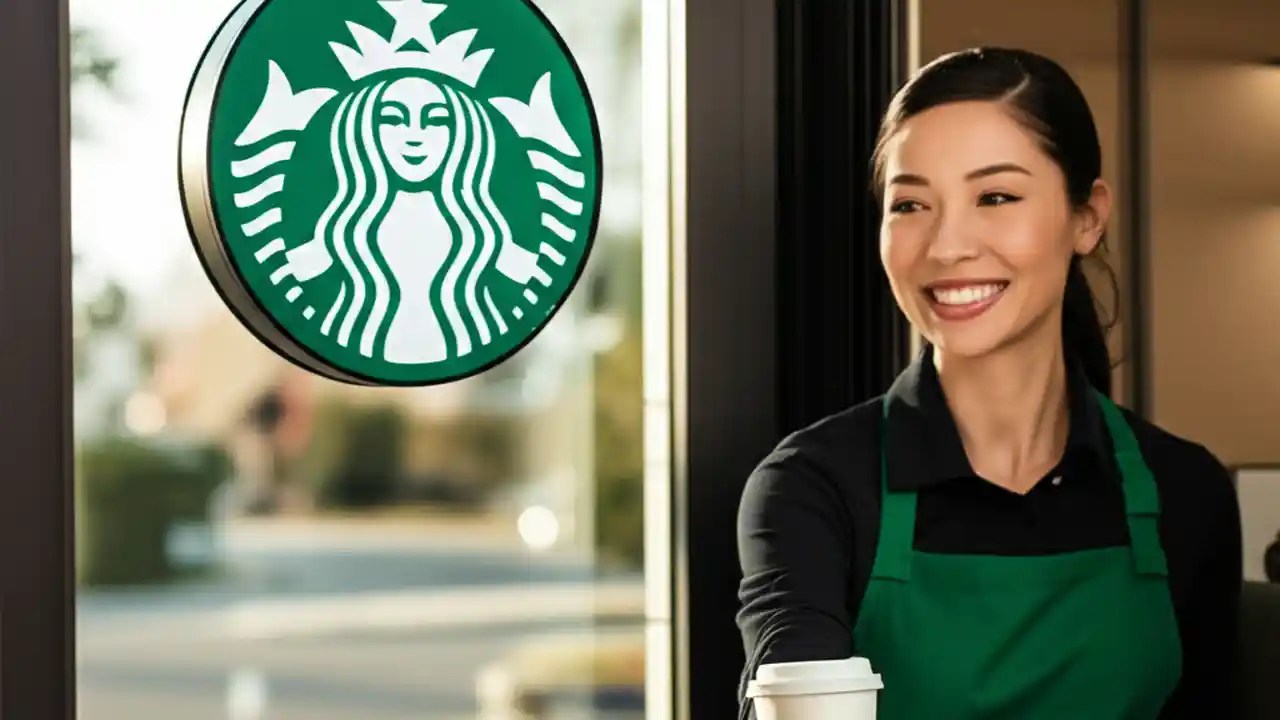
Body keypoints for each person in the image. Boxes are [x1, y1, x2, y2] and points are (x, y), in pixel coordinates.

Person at [736, 47, 1243, 719]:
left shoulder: (1185, 491)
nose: (947, 245)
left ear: (1087, 217)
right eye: (910, 204)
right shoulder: (814, 489)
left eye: (995, 196)